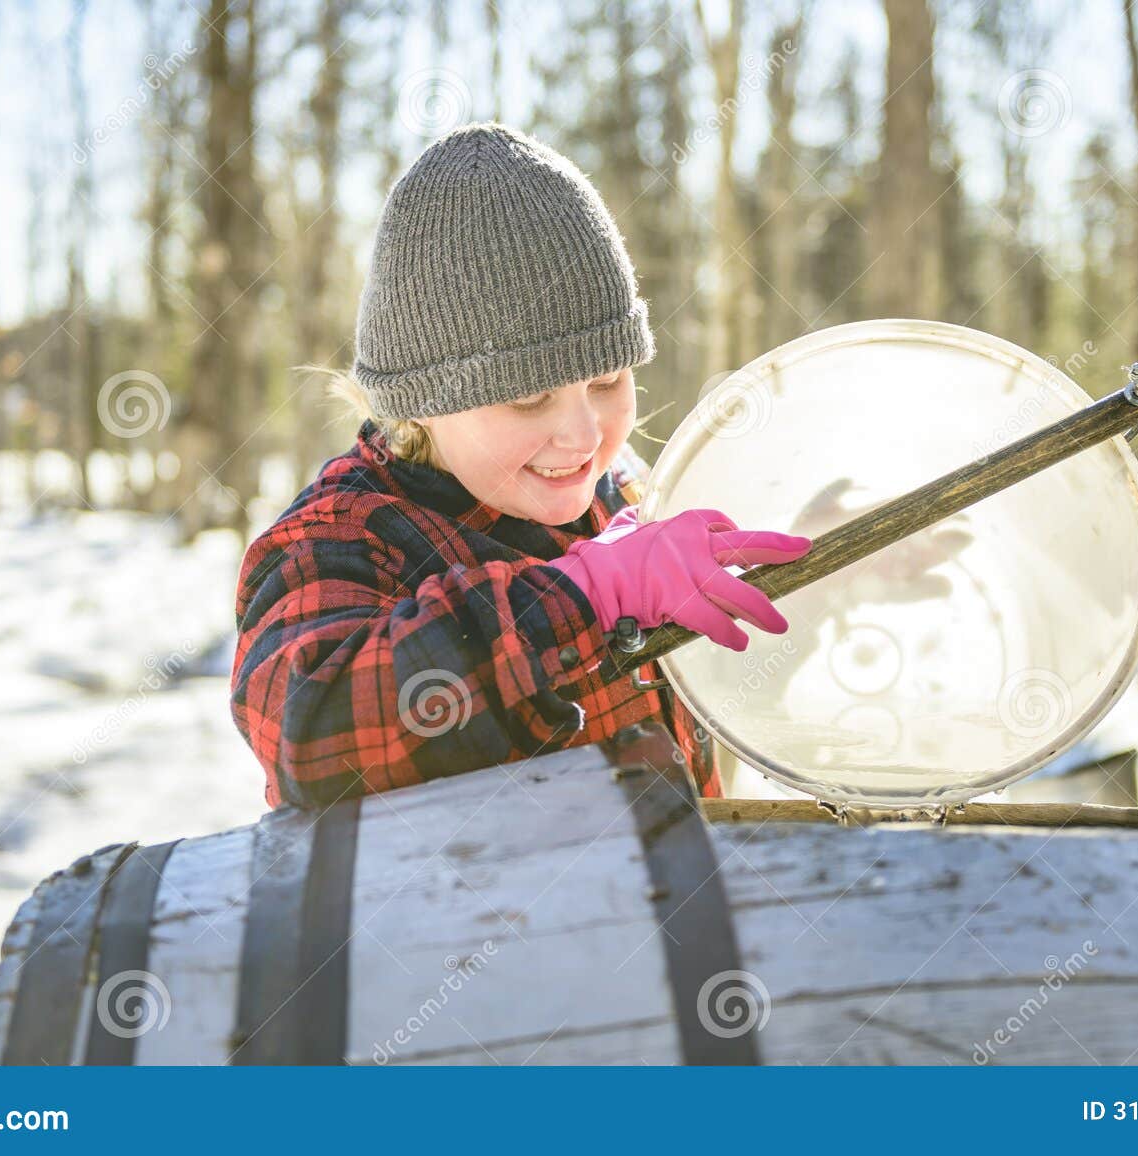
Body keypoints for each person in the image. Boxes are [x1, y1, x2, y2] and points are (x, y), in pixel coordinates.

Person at [230, 121, 810, 810]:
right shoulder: (339, 539)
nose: (585, 436)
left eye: (607, 380)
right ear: (419, 403)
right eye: (528, 397)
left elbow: (713, 694)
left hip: (671, 904)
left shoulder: (621, 488)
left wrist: (821, 578)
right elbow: (313, 737)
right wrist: (580, 596)